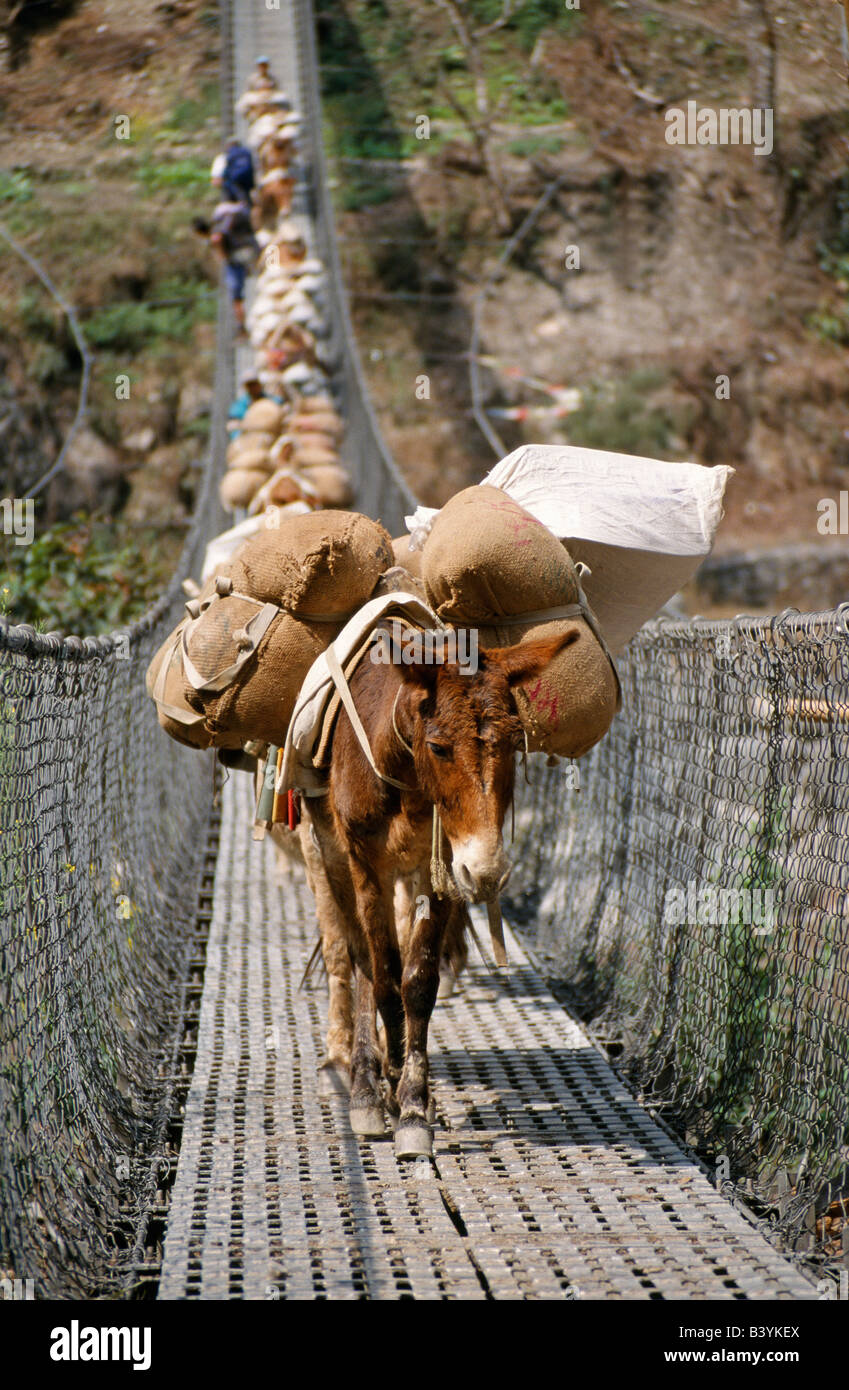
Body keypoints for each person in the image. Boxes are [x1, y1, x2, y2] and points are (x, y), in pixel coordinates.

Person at [192, 201, 259, 334]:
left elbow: (221, 253)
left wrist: (219, 252)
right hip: (251, 251)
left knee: (236, 298)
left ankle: (242, 327)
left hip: (235, 262)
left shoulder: (214, 236)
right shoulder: (221, 223)